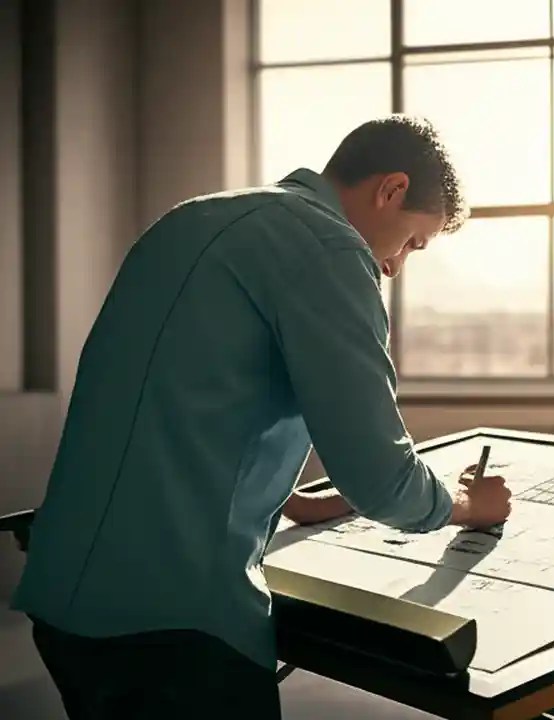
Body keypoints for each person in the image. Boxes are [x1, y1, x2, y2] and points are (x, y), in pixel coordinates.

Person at [10, 115, 512, 719]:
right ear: (391, 190)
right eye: (411, 242)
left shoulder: (198, 217)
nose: (396, 266)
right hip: (176, 627)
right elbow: (381, 477)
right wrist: (464, 507)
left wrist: (303, 504)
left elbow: (177, 406)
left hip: (66, 595)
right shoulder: (329, 247)